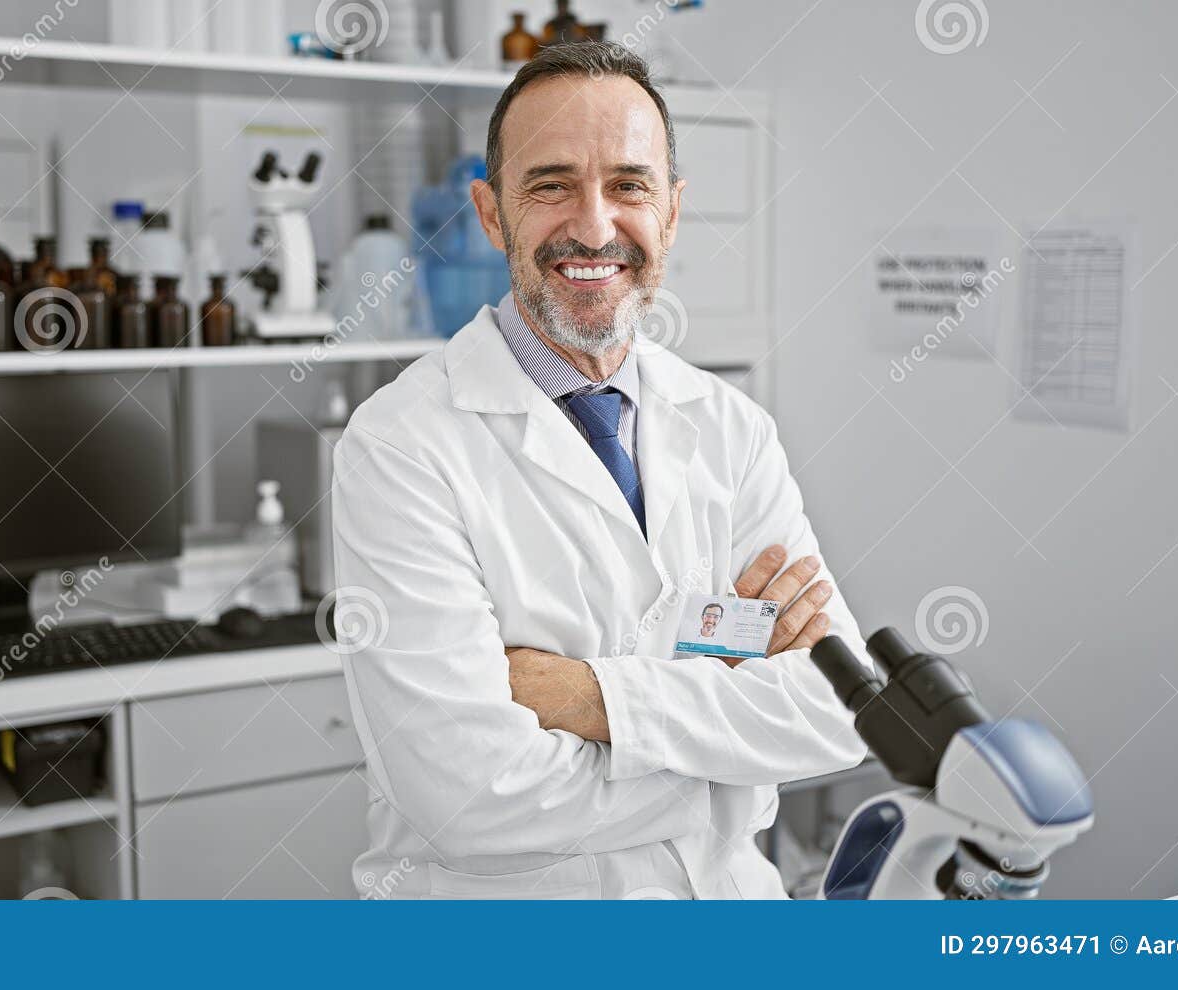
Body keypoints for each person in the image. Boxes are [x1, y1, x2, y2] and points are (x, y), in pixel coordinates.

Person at [331, 41, 869, 900]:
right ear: (491, 213)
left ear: (673, 209)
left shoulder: (733, 430)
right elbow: (467, 796)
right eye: (550, 185)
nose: (592, 226)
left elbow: (841, 710)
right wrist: (734, 771)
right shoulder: (400, 444)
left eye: (629, 184)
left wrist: (589, 699)